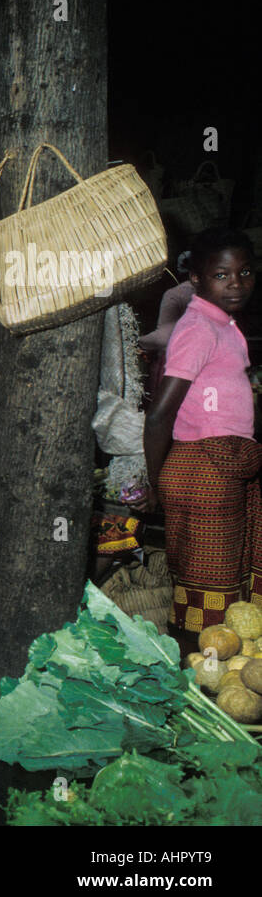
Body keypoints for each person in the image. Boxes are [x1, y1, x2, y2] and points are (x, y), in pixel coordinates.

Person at [142, 228, 258, 632]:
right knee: (208, 599)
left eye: (244, 273)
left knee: (226, 597)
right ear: (196, 278)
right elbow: (159, 415)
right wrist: (155, 482)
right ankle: (196, 677)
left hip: (221, 467)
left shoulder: (225, 326)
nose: (236, 284)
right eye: (221, 275)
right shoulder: (198, 329)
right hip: (201, 472)